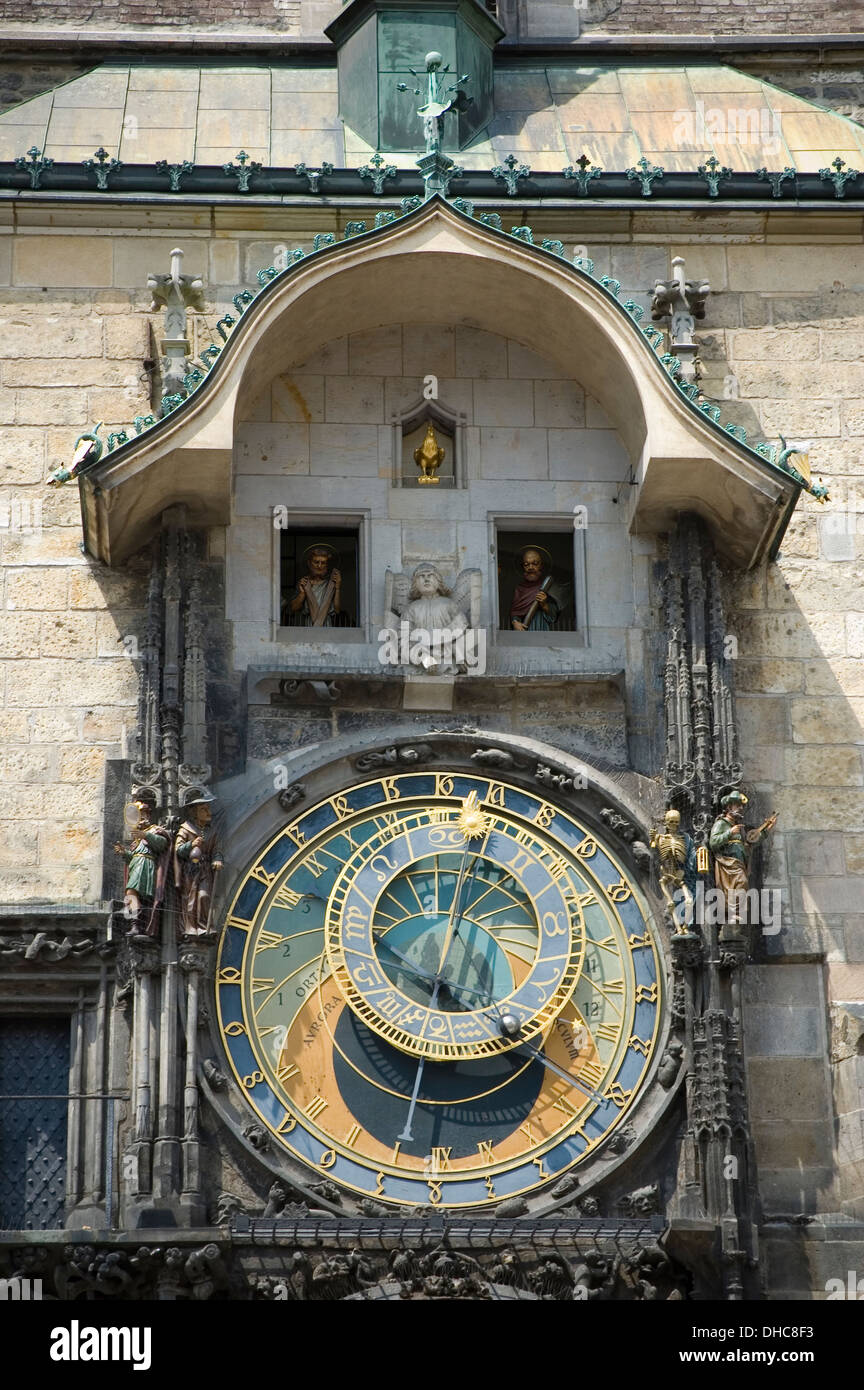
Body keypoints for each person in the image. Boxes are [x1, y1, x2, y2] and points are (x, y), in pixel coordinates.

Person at [709, 790, 777, 934]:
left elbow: (749, 843)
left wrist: (765, 831)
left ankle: (735, 914)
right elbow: (713, 842)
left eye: (741, 806)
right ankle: (732, 914)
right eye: (737, 805)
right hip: (727, 864)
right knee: (740, 883)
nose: (740, 808)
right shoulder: (722, 824)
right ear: (728, 808)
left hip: (738, 864)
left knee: (740, 886)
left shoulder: (739, 828)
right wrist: (730, 832)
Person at [114, 790, 171, 938]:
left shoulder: (154, 831)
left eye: (142, 815)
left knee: (133, 894)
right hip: (137, 866)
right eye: (137, 816)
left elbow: (162, 844)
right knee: (134, 896)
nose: (139, 819)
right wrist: (123, 853)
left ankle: (137, 925)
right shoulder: (137, 839)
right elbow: (133, 856)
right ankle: (136, 925)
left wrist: (146, 835)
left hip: (146, 866)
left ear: (147, 816)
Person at [402, 563, 470, 674]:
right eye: (421, 576)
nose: (426, 579)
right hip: (419, 663)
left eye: (430, 575)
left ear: (438, 582)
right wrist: (424, 658)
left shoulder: (449, 604)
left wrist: (459, 654)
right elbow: (404, 640)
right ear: (415, 584)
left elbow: (462, 632)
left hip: (447, 661)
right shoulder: (411, 609)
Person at [174, 790, 223, 938]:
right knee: (190, 900)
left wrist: (217, 859)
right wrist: (190, 845)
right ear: (194, 813)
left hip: (205, 870)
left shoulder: (211, 831)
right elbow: (178, 850)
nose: (208, 812)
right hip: (190, 870)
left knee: (203, 896)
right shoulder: (185, 828)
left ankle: (204, 926)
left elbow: (217, 849)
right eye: (204, 809)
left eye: (208, 809)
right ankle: (190, 928)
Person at [651, 808, 697, 932]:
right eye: (671, 822)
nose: (674, 825)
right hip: (665, 873)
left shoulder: (685, 838)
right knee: (670, 902)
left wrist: (695, 859)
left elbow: (691, 853)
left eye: (677, 822)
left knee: (689, 900)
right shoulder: (660, 838)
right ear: (666, 823)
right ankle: (678, 927)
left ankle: (685, 926)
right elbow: (655, 855)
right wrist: (653, 841)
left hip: (679, 874)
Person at [284, 543, 346, 627]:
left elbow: (337, 610)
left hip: (327, 625)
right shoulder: (304, 583)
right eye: (316, 562)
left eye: (323, 563)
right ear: (309, 563)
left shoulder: (331, 584)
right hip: (308, 625)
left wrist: (337, 588)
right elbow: (294, 608)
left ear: (327, 565)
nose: (319, 566)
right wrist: (302, 594)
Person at [509, 545, 567, 631]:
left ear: (541, 565)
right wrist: (515, 622)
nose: (530, 567)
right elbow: (516, 612)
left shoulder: (548, 587)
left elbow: (554, 615)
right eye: (526, 564)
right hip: (524, 632)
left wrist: (545, 605)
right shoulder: (519, 589)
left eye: (535, 563)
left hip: (542, 629)